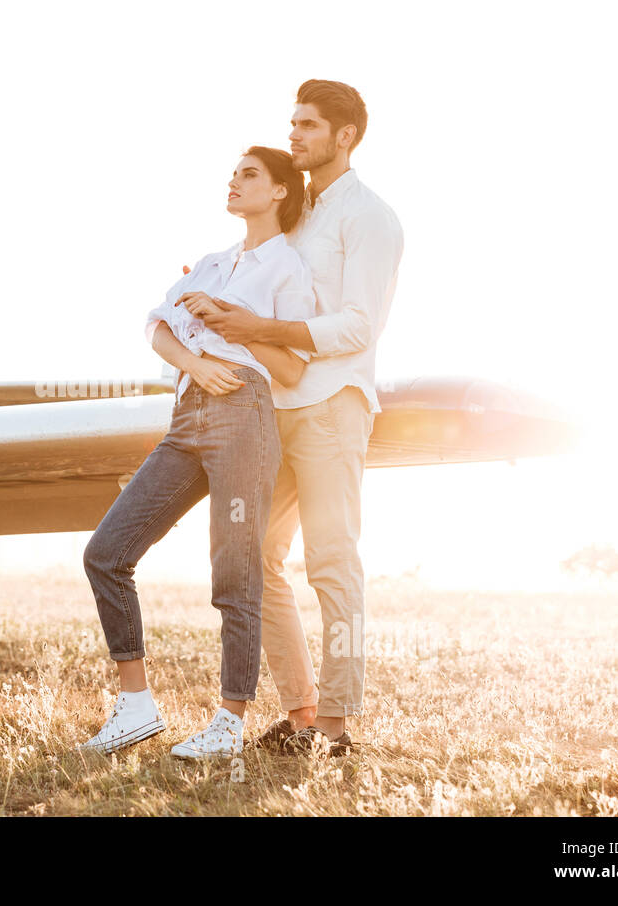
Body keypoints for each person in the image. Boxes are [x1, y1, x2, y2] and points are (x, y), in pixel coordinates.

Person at [80, 146, 313, 759]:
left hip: (244, 414)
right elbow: (156, 324)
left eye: (249, 175)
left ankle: (229, 723)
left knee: (235, 574)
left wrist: (239, 326)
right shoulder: (210, 262)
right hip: (189, 412)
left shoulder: (289, 269)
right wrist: (195, 362)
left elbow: (291, 368)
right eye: (233, 173)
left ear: (281, 192)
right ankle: (135, 706)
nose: (233, 181)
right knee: (106, 552)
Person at [197, 79, 404, 756]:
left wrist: (262, 328)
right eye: (292, 124)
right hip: (272, 410)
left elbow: (357, 326)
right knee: (254, 555)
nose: (296, 136)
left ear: (346, 136)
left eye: (309, 126)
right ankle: (302, 714)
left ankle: (338, 730)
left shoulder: (369, 218)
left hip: (331, 410)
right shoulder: (297, 215)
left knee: (332, 562)